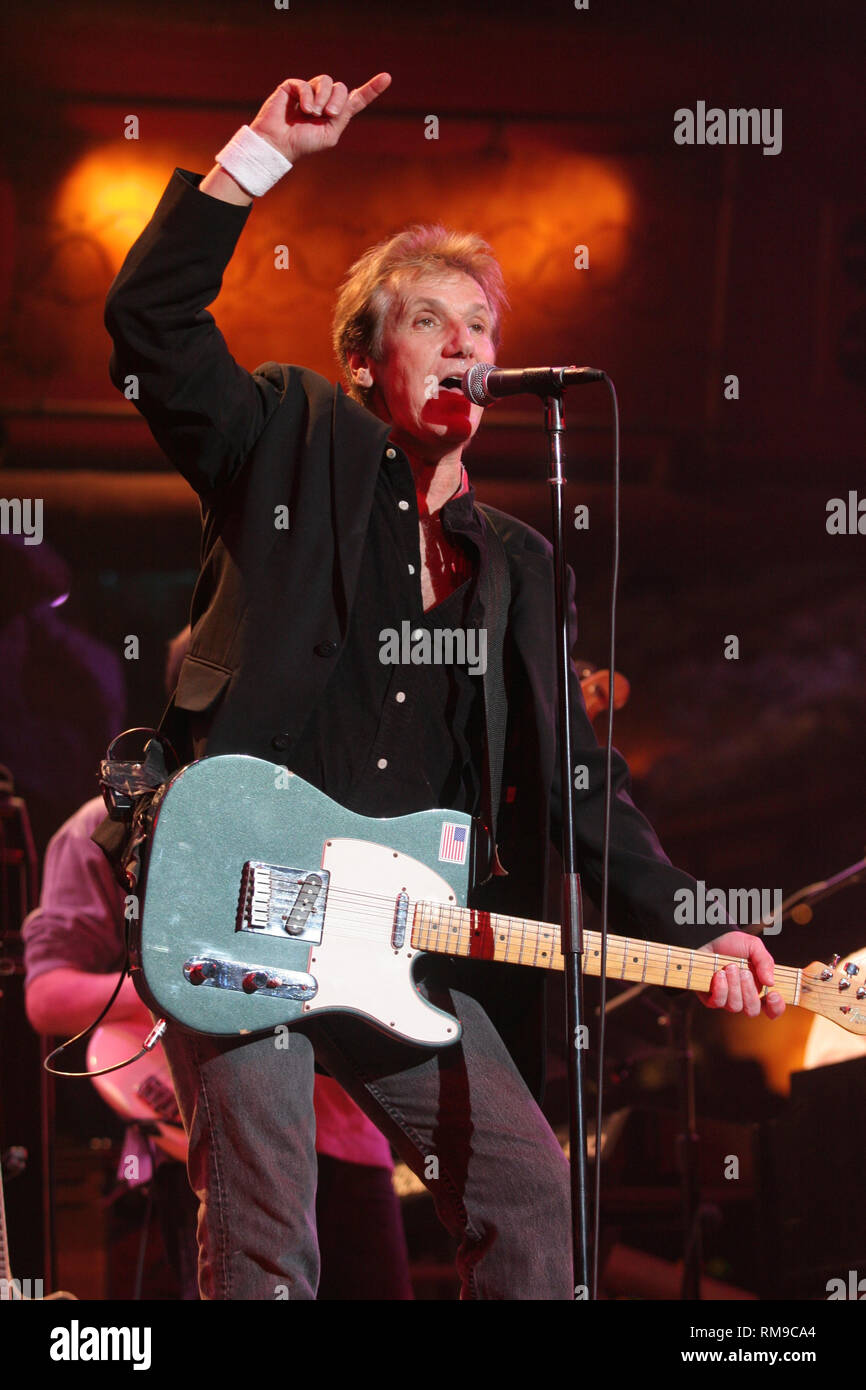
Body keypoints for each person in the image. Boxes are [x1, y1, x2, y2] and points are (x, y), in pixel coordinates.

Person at [101, 71, 785, 1301]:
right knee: (268, 1230)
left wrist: (697, 923)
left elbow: (580, 787)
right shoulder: (290, 441)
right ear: (363, 361)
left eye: (481, 328)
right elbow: (149, 326)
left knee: (528, 1196)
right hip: (241, 903)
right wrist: (257, 152)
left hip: (400, 942)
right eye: (430, 322)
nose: (466, 345)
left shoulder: (518, 570)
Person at [23, 633, 412, 1301]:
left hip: (343, 1135)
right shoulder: (106, 832)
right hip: (196, 1131)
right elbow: (49, 996)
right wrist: (200, 987)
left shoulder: (334, 829)